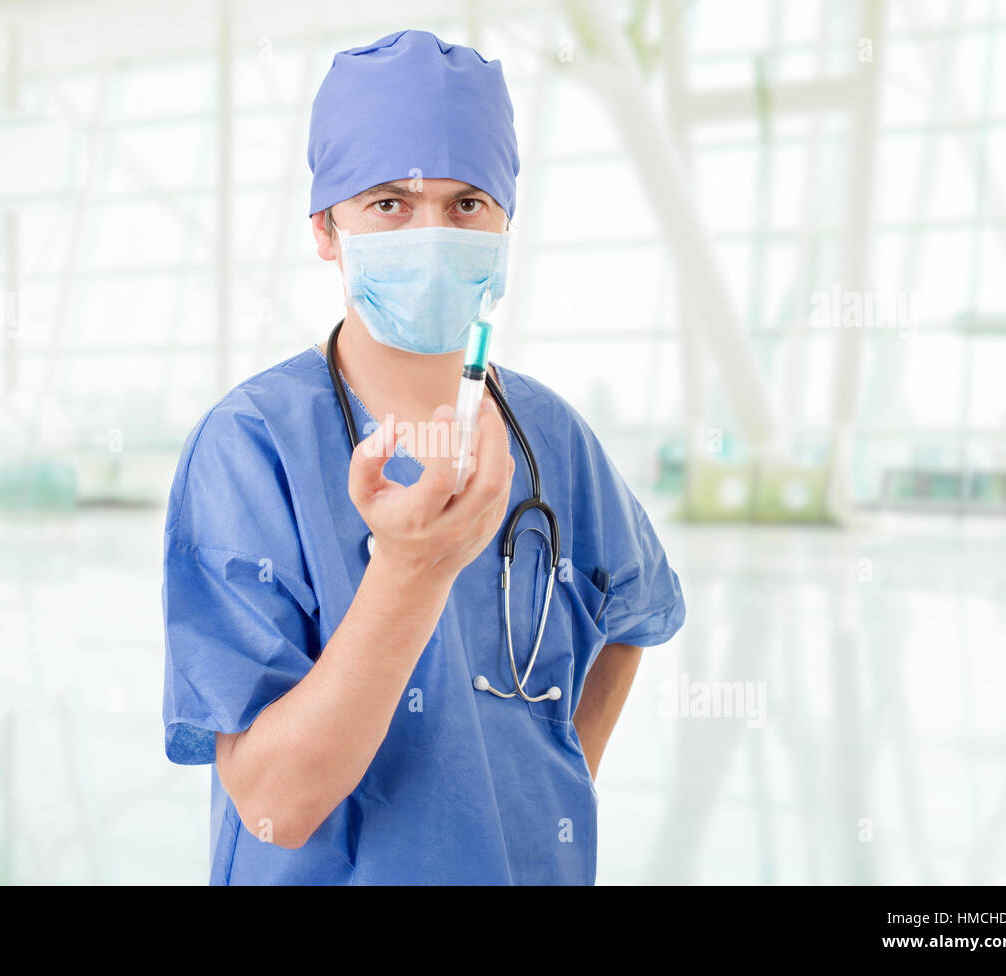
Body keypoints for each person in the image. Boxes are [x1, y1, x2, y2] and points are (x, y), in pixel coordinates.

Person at [161, 28, 686, 885]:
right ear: (327, 231)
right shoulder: (253, 446)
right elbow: (274, 807)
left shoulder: (550, 436)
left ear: (506, 224)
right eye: (390, 204)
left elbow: (634, 617)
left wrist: (547, 789)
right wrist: (410, 572)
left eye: (467, 204)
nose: (434, 233)